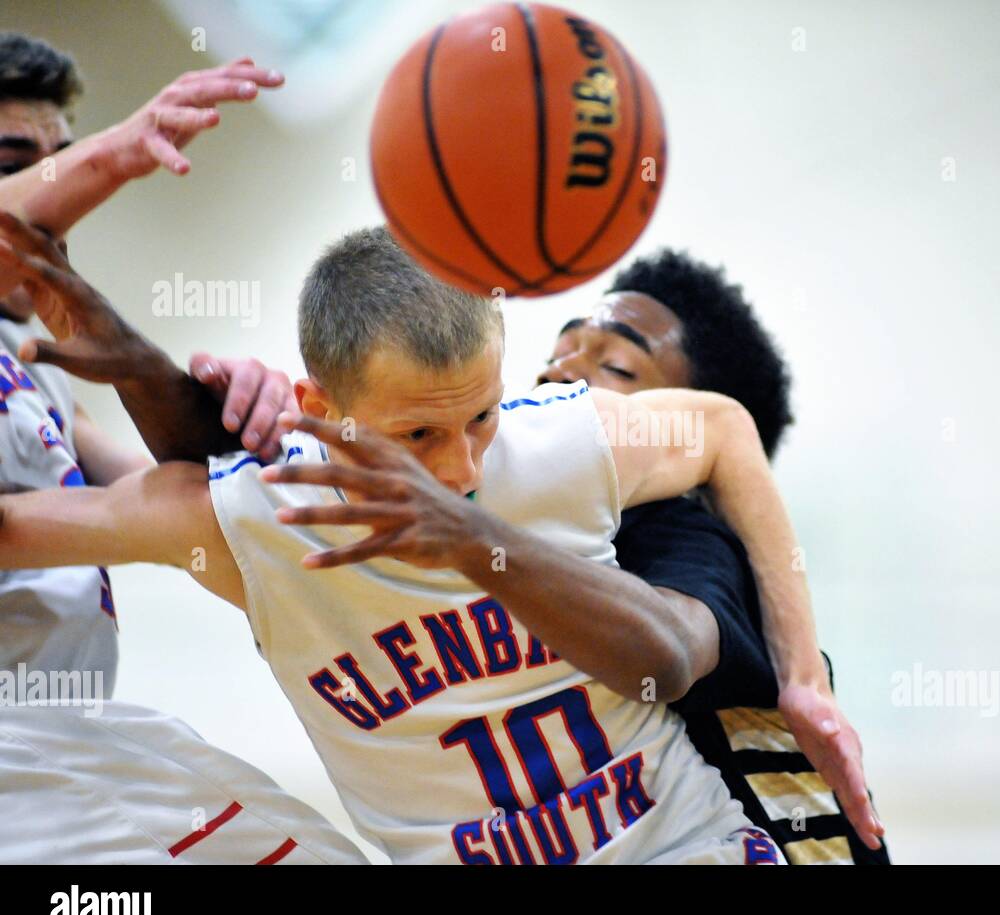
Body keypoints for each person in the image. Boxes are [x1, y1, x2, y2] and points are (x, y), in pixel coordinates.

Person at [0, 224, 831, 864]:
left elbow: (724, 426)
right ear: (321, 405)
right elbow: (25, 529)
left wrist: (803, 679)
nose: (462, 463)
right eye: (420, 432)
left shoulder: (557, 442)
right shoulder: (259, 516)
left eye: (482, 415)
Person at [0, 35, 364, 865]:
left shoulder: (35, 373)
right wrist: (115, 152)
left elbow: (193, 502)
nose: (64, 203)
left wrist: (235, 421)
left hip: (62, 731)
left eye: (68, 159)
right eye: (22, 164)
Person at [540, 249, 888, 863]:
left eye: (615, 366)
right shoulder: (549, 526)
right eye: (558, 351)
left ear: (686, 437)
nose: (562, 372)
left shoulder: (683, 538)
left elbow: (665, 654)